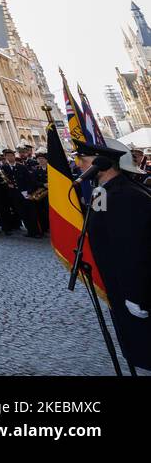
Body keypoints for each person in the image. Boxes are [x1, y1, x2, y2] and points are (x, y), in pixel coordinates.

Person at [83, 139, 151, 372]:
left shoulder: (124, 195)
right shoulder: (103, 191)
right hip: (116, 284)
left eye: (83, 160)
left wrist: (136, 294)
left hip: (134, 289)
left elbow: (132, 250)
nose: (79, 166)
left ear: (101, 164)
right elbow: (99, 226)